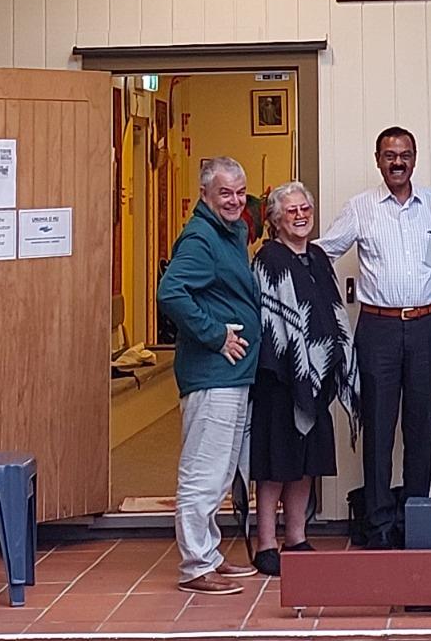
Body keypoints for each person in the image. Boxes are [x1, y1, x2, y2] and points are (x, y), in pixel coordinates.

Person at [318, 127, 431, 549]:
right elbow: (322, 252)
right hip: (378, 330)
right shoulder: (360, 207)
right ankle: (376, 526)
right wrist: (285, 254)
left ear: (415, 158)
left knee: (421, 428)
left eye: (405, 154)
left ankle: (416, 522)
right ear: (378, 159)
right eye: (390, 155)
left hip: (428, 327)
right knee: (377, 429)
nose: (398, 162)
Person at [156, 157, 262, 594]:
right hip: (212, 372)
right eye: (225, 193)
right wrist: (215, 335)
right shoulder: (201, 237)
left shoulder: (230, 231)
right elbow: (170, 292)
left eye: (240, 192)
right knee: (203, 470)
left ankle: (210, 555)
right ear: (205, 195)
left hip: (233, 373)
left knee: (219, 472)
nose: (236, 200)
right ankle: (196, 565)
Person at [249, 182, 360, 575]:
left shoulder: (316, 255)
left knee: (306, 461)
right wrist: (299, 363)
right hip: (280, 376)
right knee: (277, 462)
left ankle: (296, 537)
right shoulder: (269, 258)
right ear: (276, 219)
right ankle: (266, 544)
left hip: (317, 378)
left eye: (305, 209)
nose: (300, 216)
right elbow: (272, 319)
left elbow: (331, 309)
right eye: (291, 211)